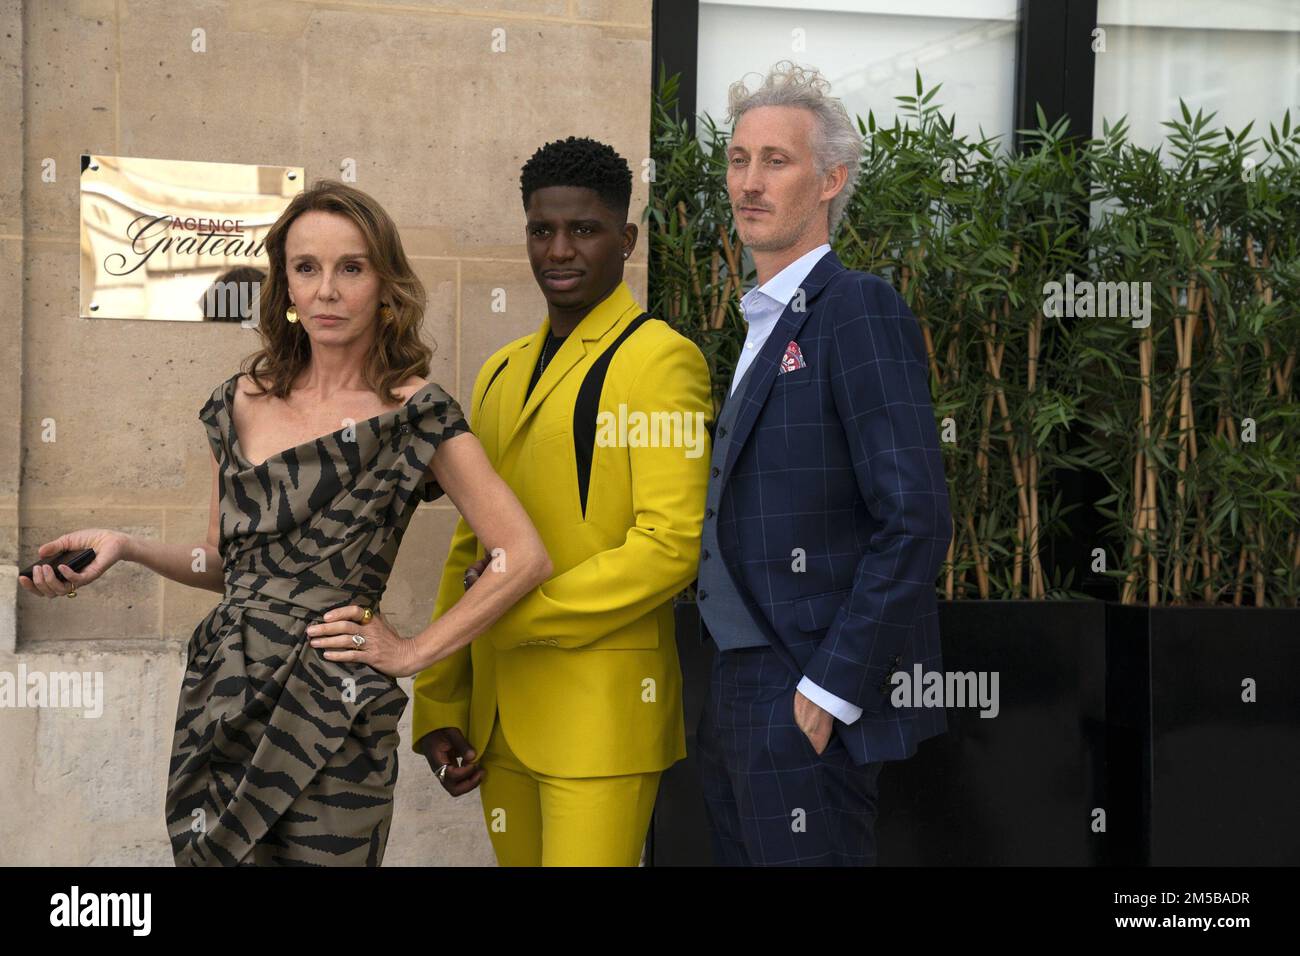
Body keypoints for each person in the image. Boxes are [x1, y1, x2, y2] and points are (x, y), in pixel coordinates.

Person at [19, 180, 553, 866]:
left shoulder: (416, 413)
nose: (327, 290)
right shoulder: (238, 402)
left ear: (385, 284)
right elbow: (222, 565)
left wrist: (413, 652)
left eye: (350, 268)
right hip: (223, 698)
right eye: (307, 268)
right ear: (287, 287)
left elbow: (522, 555)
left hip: (333, 708)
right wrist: (126, 548)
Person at [411, 136, 712, 866]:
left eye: (584, 229)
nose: (559, 250)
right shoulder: (498, 372)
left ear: (626, 239)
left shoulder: (661, 358)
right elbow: (467, 547)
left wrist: (517, 612)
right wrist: (441, 701)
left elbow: (671, 544)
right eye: (541, 230)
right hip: (497, 717)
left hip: (602, 717)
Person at [694, 62, 952, 866]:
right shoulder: (763, 324)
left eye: (777, 161)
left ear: (832, 179)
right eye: (738, 160)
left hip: (803, 688)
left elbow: (915, 516)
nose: (749, 182)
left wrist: (826, 693)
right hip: (735, 685)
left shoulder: (858, 307)